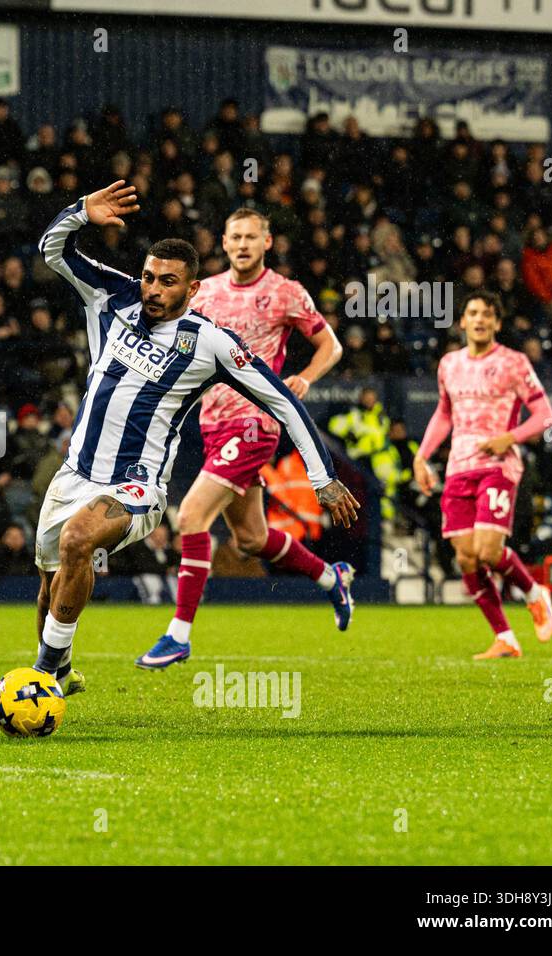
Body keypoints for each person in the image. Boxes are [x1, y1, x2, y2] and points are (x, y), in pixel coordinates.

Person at [34, 181, 359, 692]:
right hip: (76, 471)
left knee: (93, 537)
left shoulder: (212, 341)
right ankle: (61, 671)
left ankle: (51, 675)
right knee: (53, 582)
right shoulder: (112, 295)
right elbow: (51, 250)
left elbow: (283, 400)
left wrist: (323, 478)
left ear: (192, 290)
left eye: (167, 282)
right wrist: (80, 213)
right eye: (148, 278)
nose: (153, 291)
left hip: (138, 485)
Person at [136, 209, 353, 670]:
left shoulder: (284, 292)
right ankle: (330, 578)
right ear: (224, 241)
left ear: (267, 242)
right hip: (213, 425)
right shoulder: (205, 291)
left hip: (256, 424)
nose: (242, 244)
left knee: (192, 515)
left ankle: (178, 634)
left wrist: (306, 379)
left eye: (251, 237)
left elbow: (330, 346)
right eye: (235, 236)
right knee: (251, 538)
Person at [413, 291, 552, 659]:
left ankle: (534, 592)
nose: (479, 319)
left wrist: (510, 437)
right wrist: (423, 456)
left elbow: (544, 416)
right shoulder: (449, 364)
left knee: (488, 551)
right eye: (472, 312)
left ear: (497, 323)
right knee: (466, 557)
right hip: (459, 466)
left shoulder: (513, 362)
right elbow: (444, 414)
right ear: (462, 320)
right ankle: (505, 637)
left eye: (487, 314)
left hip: (498, 466)